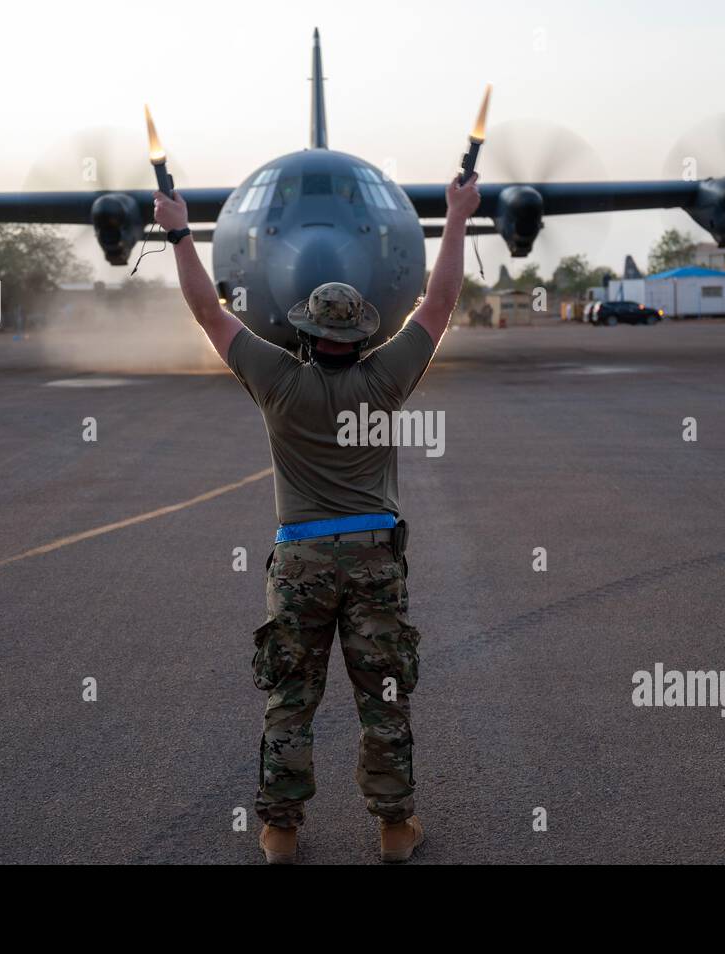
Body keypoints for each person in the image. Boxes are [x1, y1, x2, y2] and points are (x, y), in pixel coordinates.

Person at [154, 170, 481, 863]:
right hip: (373, 558)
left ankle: (280, 833)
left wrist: (180, 231)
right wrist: (455, 218)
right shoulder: (387, 378)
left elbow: (209, 313)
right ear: (362, 334)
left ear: (303, 331)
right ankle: (395, 831)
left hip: (299, 561)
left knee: (290, 700)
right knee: (383, 698)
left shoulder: (275, 380)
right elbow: (441, 300)